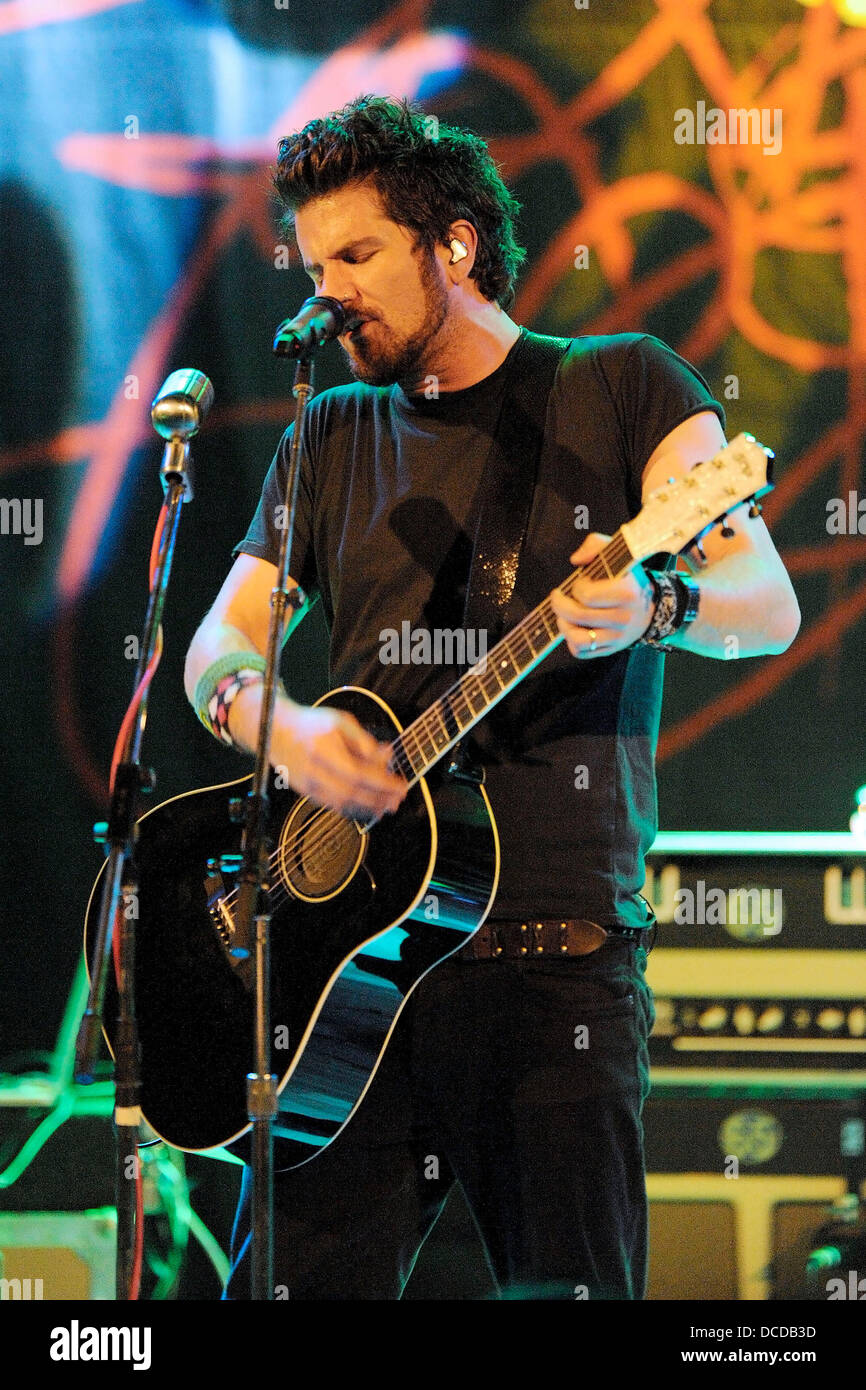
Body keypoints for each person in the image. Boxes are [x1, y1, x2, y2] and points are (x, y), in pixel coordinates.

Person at [184, 95, 800, 1300]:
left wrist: (656, 607)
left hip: (547, 975)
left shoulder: (622, 386)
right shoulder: (330, 435)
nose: (329, 292)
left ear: (452, 245)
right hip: (346, 986)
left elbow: (764, 602)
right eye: (314, 266)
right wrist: (286, 727)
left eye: (357, 256)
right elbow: (219, 646)